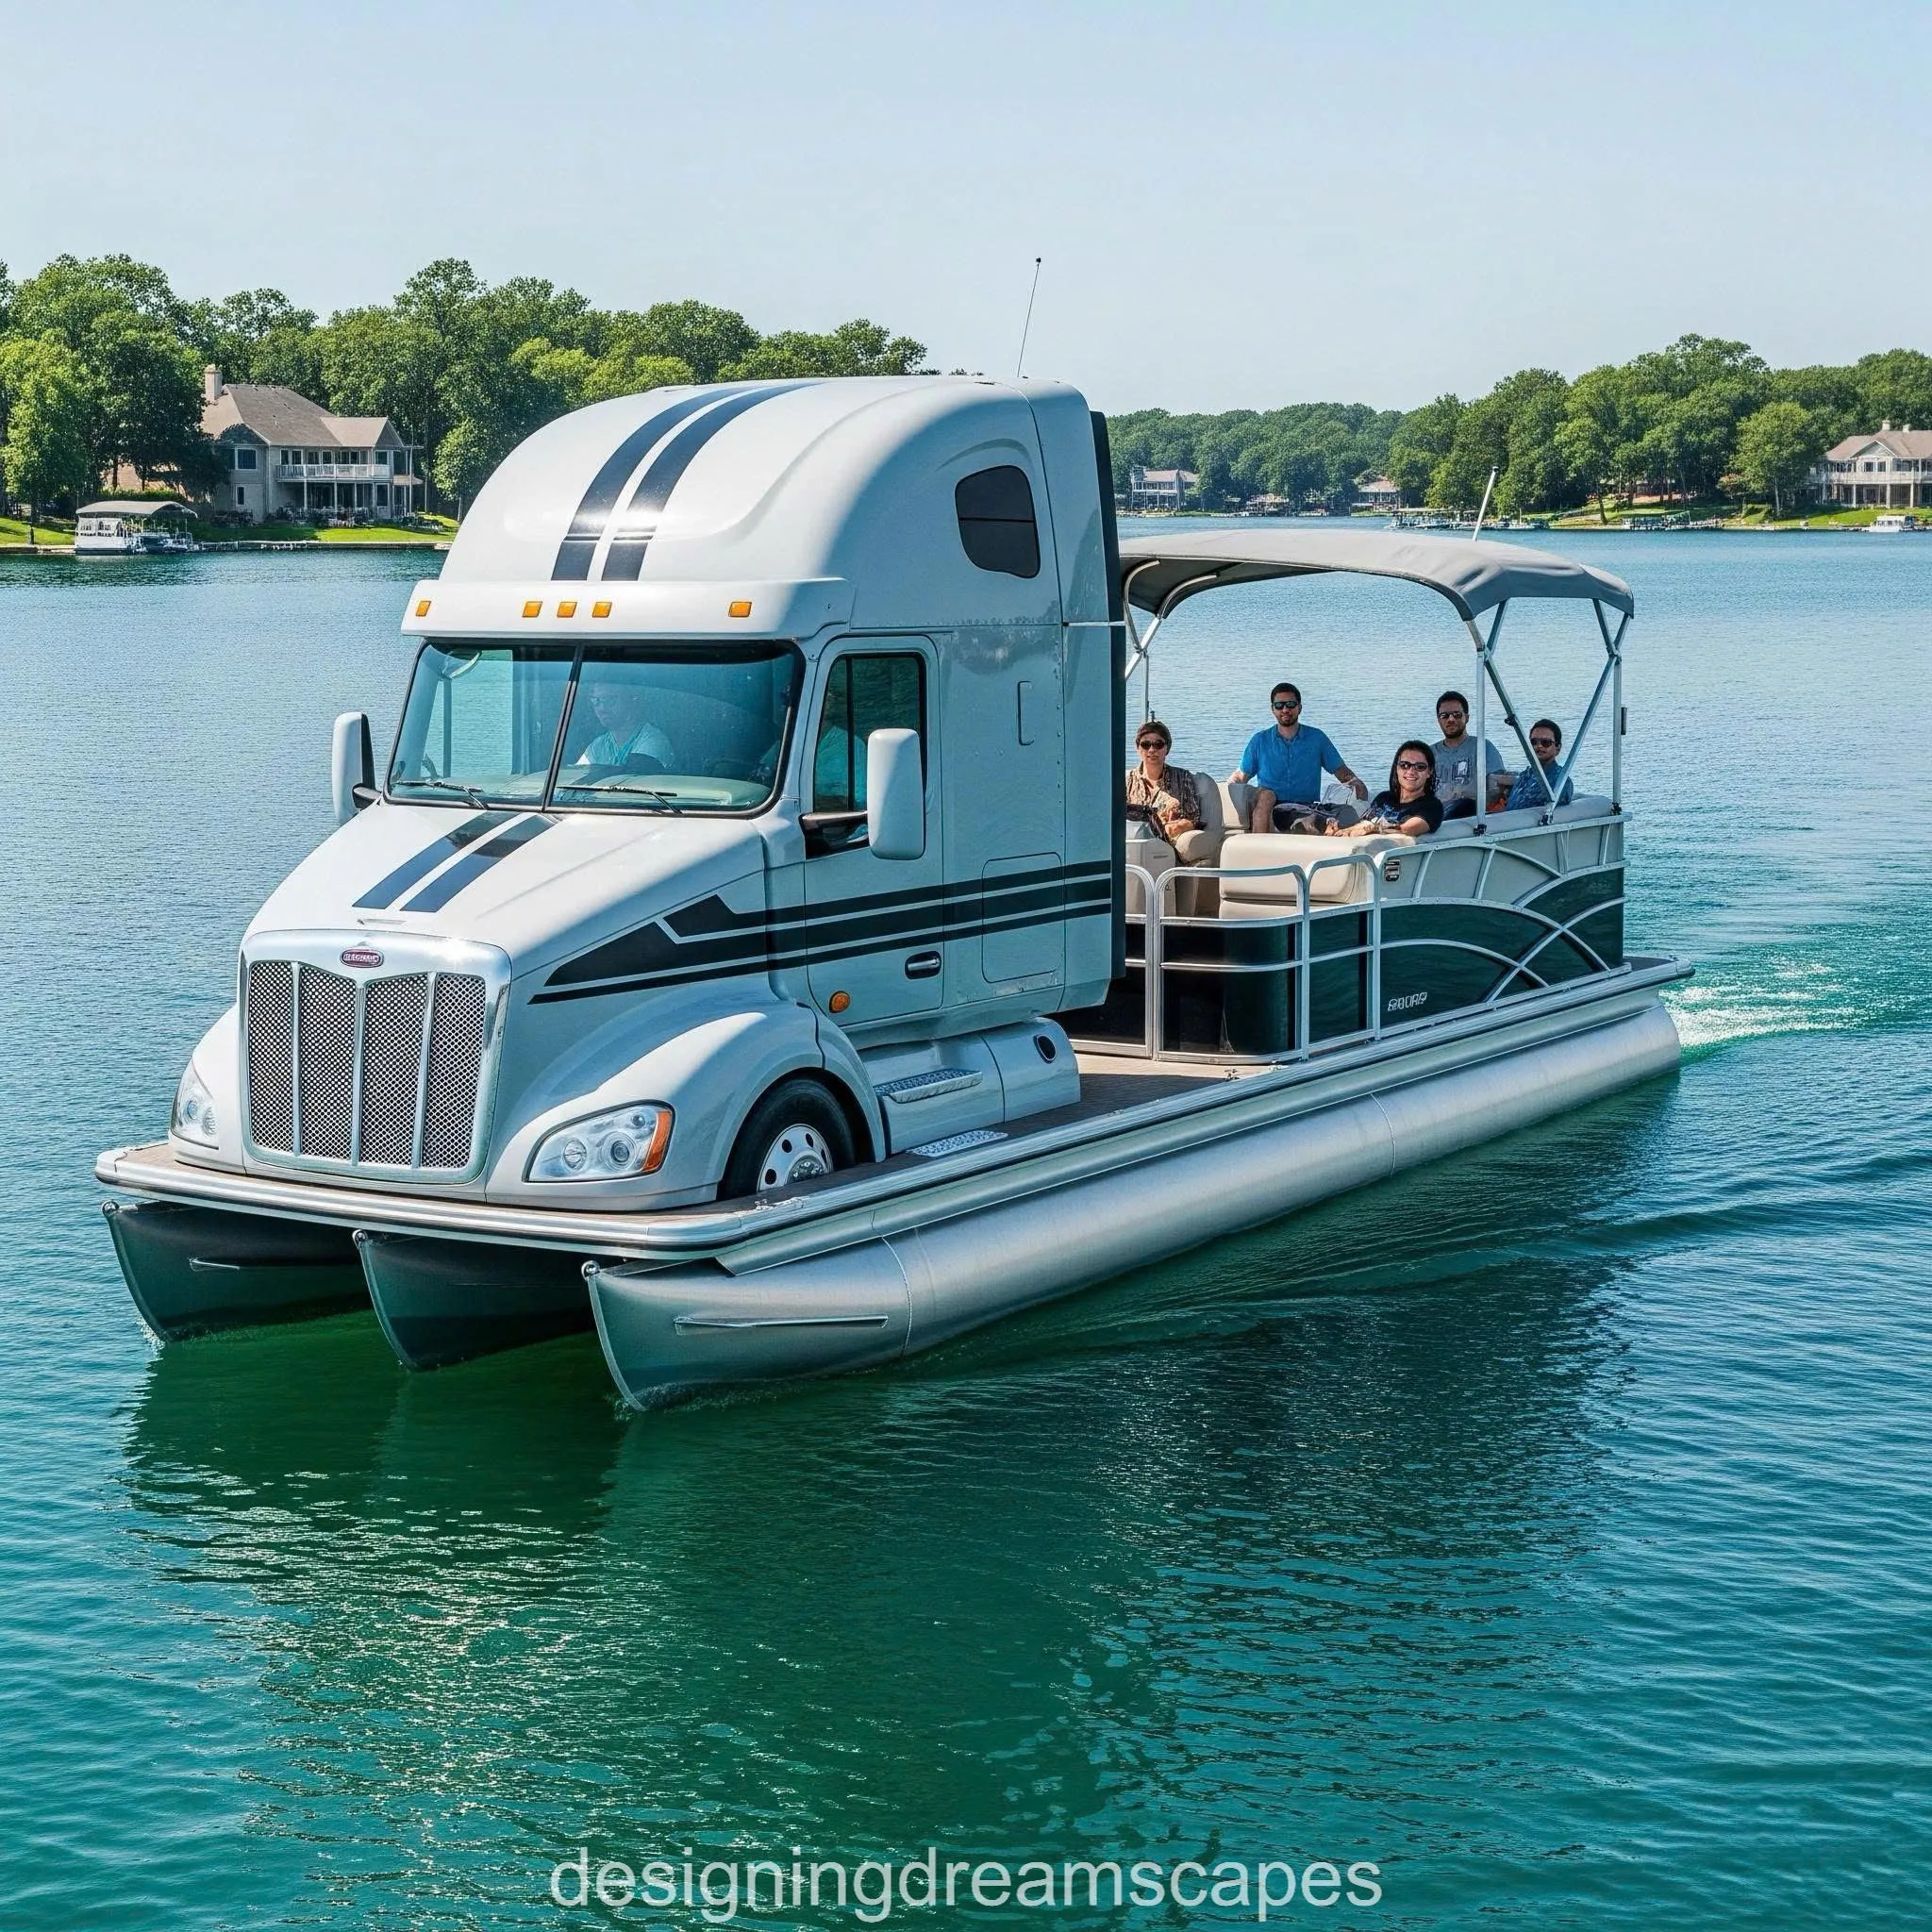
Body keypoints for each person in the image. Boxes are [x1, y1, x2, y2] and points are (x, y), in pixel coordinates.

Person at [1235, 682, 1368, 833]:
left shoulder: (1317, 738)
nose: (1285, 709)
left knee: (1348, 813)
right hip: (1275, 809)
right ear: (1273, 709)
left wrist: (1355, 782)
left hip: (1307, 807)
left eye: (1291, 704)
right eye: (1279, 705)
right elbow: (1240, 777)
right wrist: (1225, 792)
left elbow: (1340, 770)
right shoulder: (1259, 741)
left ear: (1300, 708)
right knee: (1267, 797)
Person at [1330, 741, 1443, 838]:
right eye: (1404, 765)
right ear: (1397, 769)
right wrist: (1340, 829)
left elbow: (1408, 829)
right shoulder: (1383, 798)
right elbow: (1361, 823)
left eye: (1420, 767)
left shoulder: (1433, 806)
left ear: (1429, 772)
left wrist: (1373, 828)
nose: (1411, 771)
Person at [1124, 720, 1208, 853]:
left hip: (1168, 847)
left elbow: (1194, 818)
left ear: (1167, 748)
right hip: (1133, 845)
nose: (1152, 750)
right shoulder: (1127, 780)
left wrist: (1171, 828)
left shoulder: (1182, 777)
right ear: (1138, 748)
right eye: (1145, 744)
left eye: (1158, 744)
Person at [1430, 690, 1509, 818]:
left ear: (1466, 718)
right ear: (1439, 720)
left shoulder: (1483, 747)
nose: (1451, 719)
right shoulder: (1429, 753)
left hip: (1469, 817)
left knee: (1463, 804)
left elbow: (1497, 790)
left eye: (1456, 715)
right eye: (1445, 716)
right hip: (1433, 816)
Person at [576, 674, 675, 767]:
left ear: (629, 700)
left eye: (609, 700)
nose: (601, 708)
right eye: (595, 701)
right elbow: (578, 774)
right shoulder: (598, 745)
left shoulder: (653, 741)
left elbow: (633, 776)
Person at [1504, 718, 1574, 809]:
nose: (1539, 746)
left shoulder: (1562, 781)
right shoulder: (1525, 776)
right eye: (1534, 742)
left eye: (1545, 742)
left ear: (1557, 748)